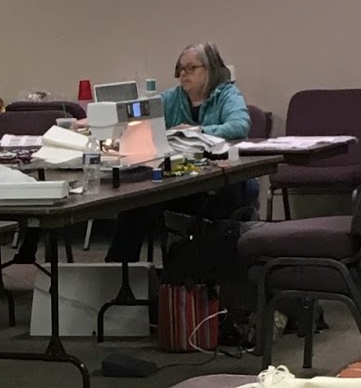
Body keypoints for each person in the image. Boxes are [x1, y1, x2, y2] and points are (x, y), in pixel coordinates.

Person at [106, 43, 253, 265]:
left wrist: (197, 132)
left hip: (217, 184)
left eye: (191, 68)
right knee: (134, 205)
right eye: (180, 69)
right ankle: (118, 274)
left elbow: (239, 125)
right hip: (179, 182)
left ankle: (207, 277)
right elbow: (142, 118)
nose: (183, 74)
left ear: (211, 69)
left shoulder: (226, 94)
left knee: (219, 204)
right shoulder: (172, 98)